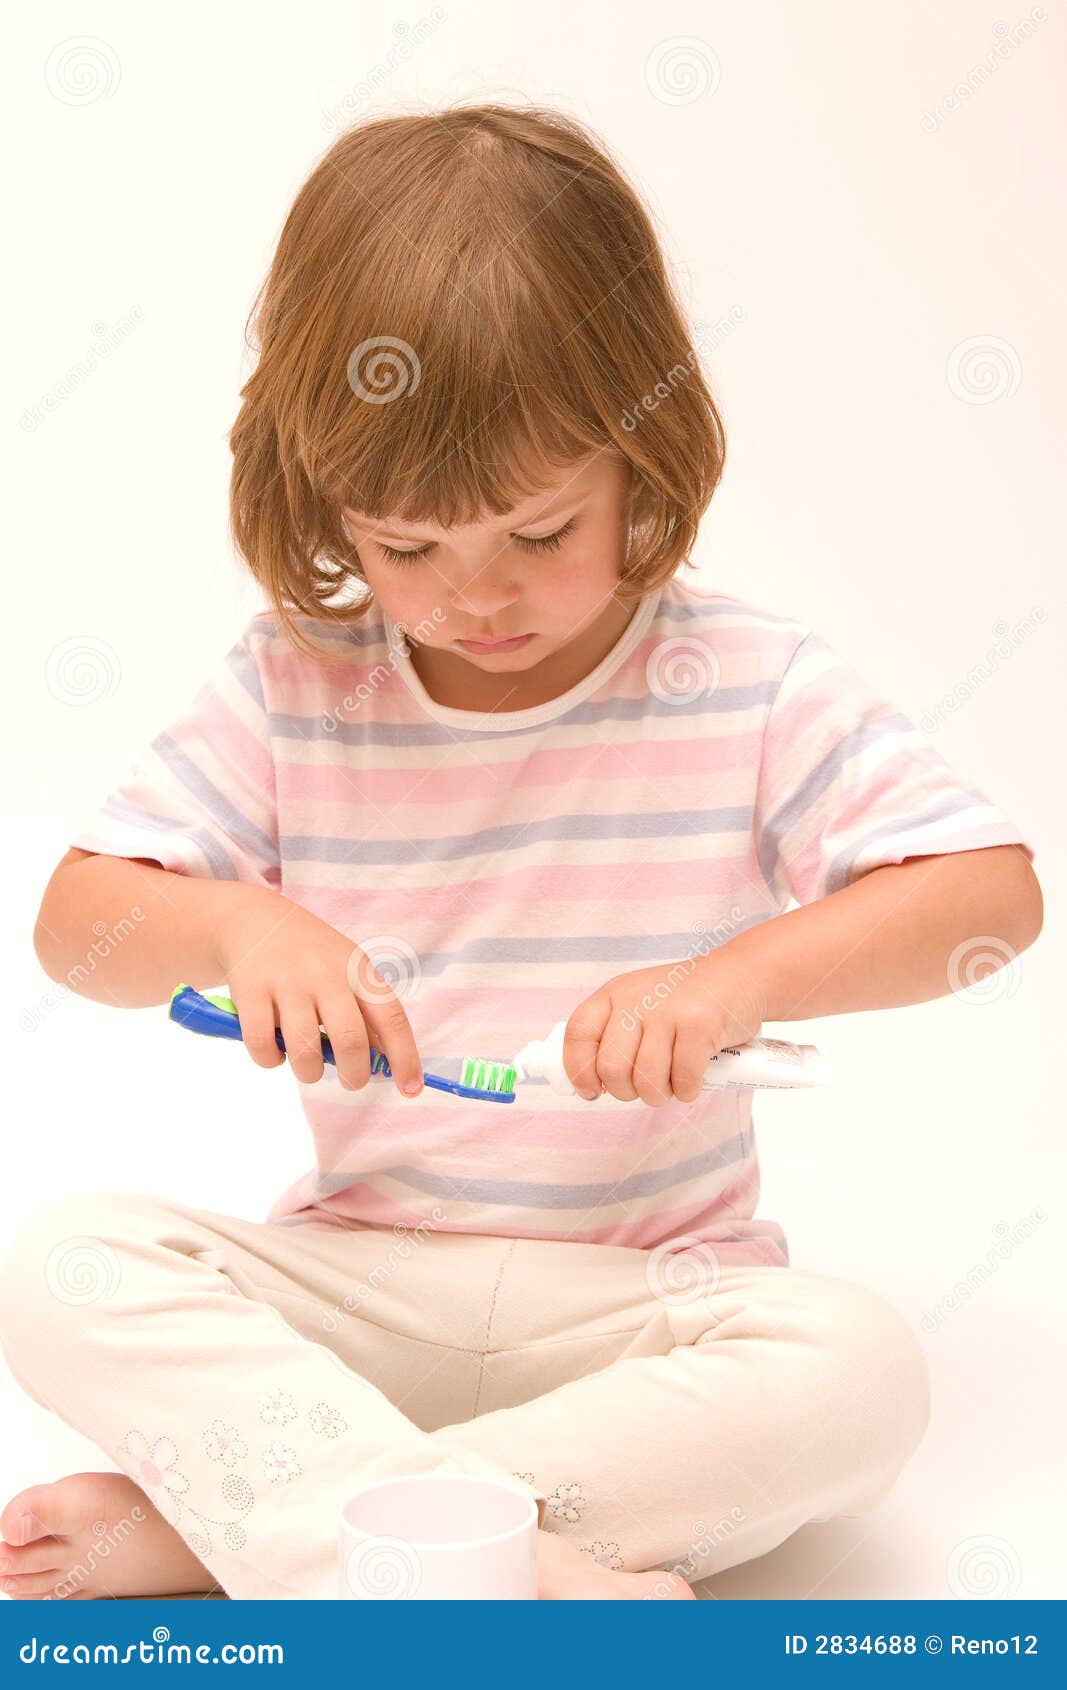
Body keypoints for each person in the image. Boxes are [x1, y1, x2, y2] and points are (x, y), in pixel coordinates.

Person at [0, 103, 1041, 1601]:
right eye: (408, 551)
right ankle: (489, 1544)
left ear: (645, 447)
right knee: (64, 1262)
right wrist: (236, 930)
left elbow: (991, 896)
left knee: (859, 1372)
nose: (475, 599)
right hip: (359, 1284)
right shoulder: (299, 679)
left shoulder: (745, 681)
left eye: (542, 533)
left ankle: (261, 1524)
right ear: (322, 498)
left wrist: (730, 978)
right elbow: (71, 924)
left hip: (648, 1309)